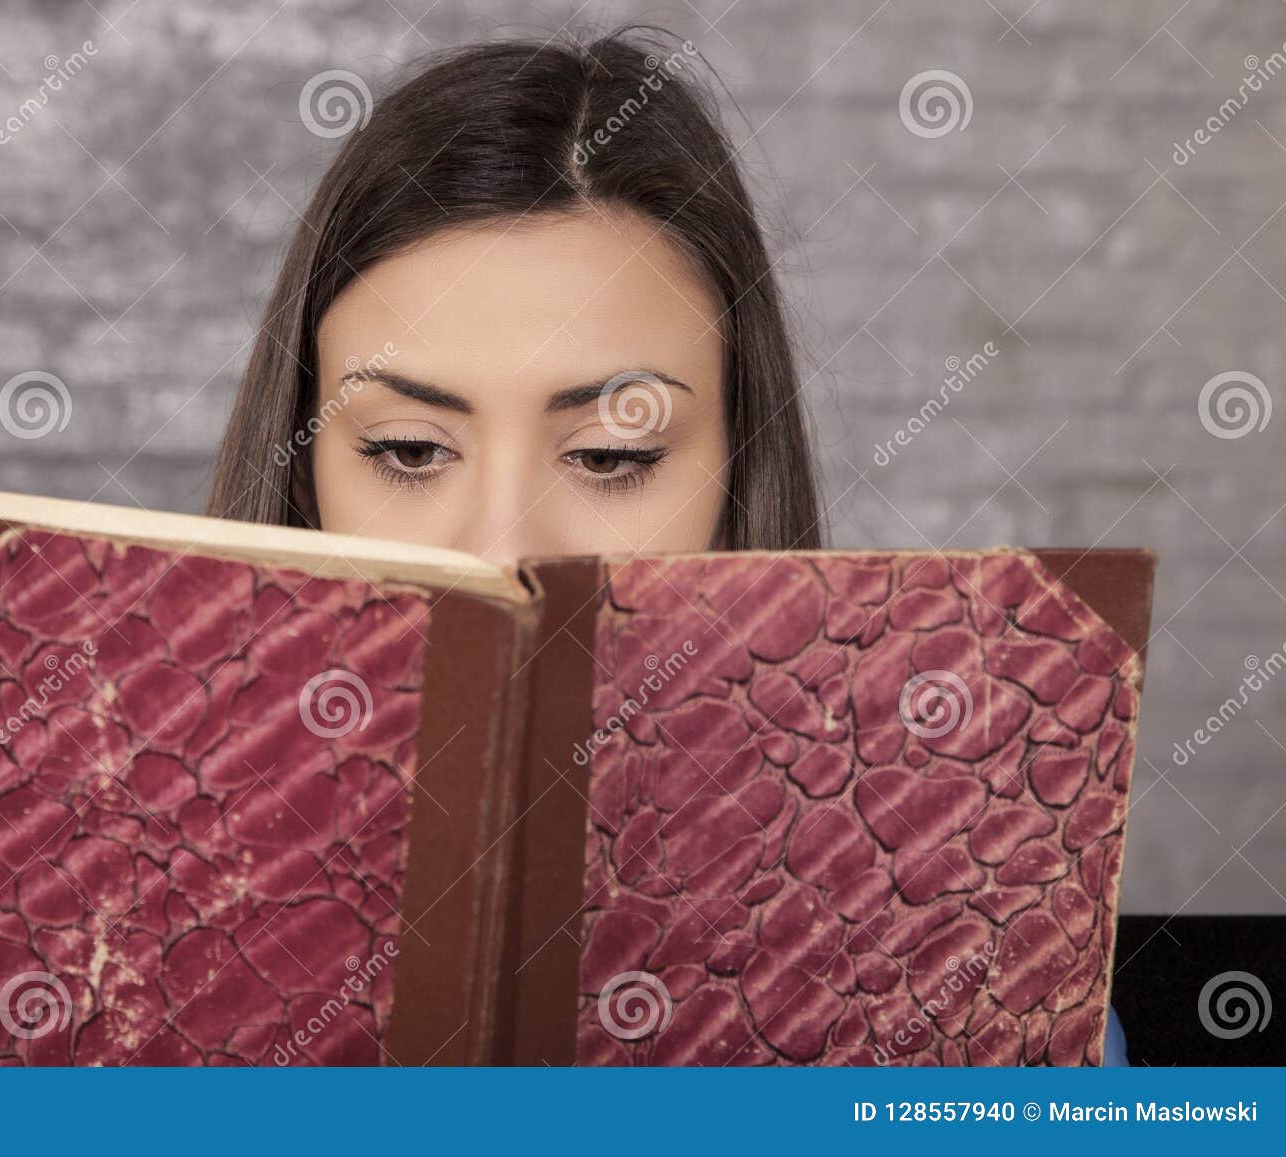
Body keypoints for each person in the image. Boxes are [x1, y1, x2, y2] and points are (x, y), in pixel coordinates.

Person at [206, 27, 1128, 1067]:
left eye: (609, 455)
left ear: (739, 468)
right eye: (409, 449)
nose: (507, 549)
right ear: (299, 471)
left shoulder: (983, 940)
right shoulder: (103, 911)